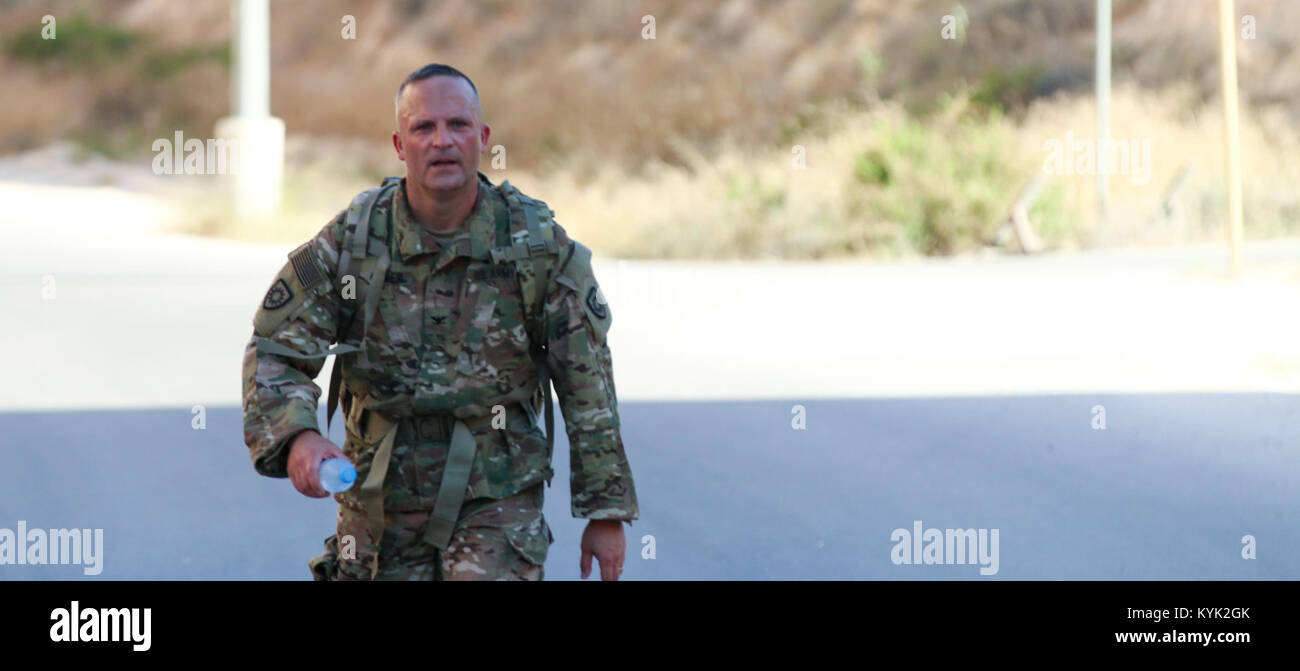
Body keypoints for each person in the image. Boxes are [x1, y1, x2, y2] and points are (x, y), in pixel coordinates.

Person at [240, 63, 638, 581]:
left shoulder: (535, 244)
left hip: (497, 494)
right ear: (400, 145)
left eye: (458, 125)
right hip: (378, 499)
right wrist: (298, 436)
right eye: (423, 128)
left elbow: (586, 378)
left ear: (484, 137)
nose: (442, 141)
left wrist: (605, 512)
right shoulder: (355, 242)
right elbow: (276, 350)